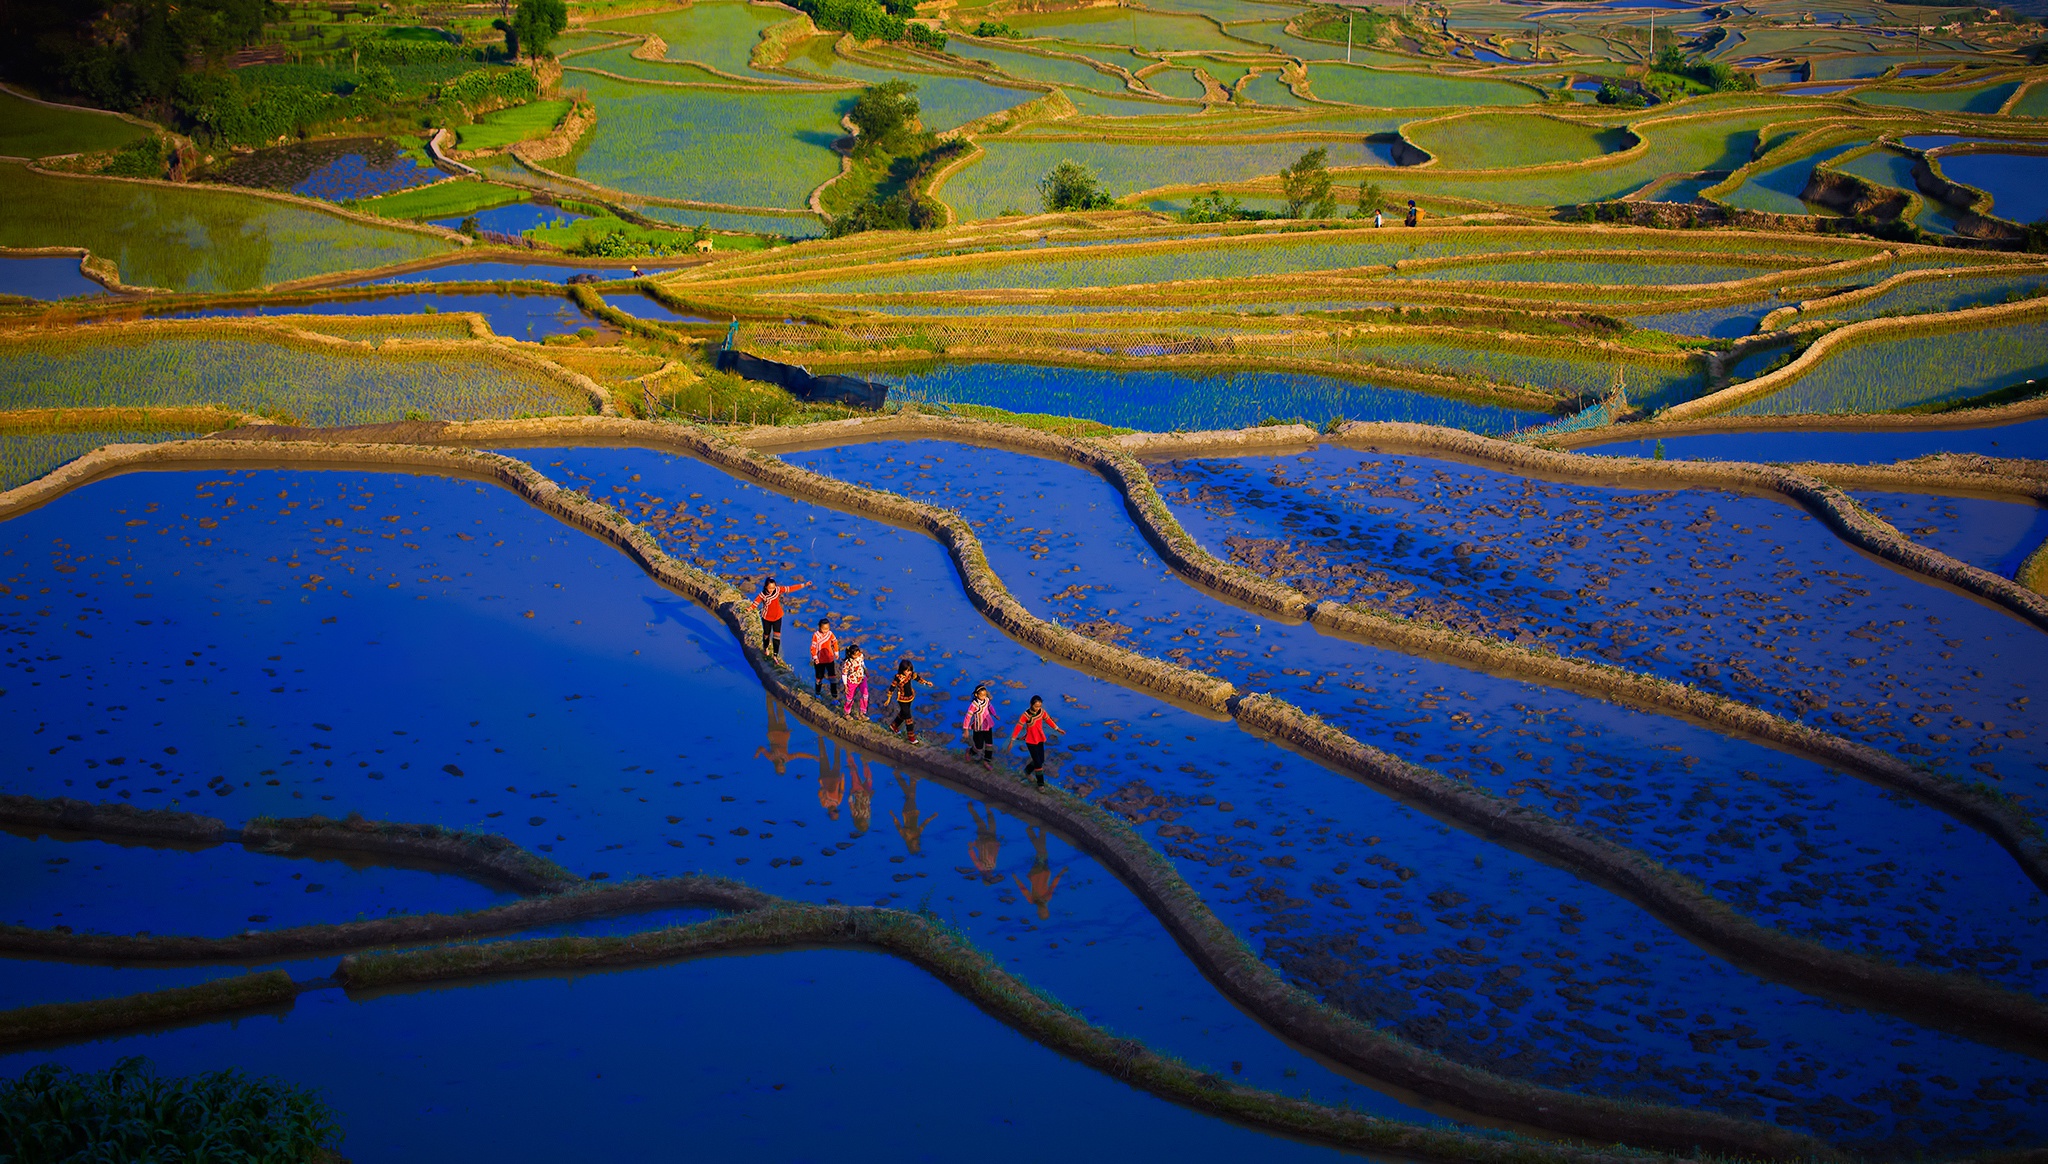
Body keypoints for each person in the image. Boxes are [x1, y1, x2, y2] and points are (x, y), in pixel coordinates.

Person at [1007, 695, 1064, 789]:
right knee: (1038, 762)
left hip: (1040, 738)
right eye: (1036, 706)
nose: (1038, 708)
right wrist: (1012, 740)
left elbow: (1048, 720)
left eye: (1039, 706)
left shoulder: (1041, 712)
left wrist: (1057, 729)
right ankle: (1040, 784)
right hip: (1030, 740)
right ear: (1031, 704)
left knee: (1041, 760)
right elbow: (1018, 727)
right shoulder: (1025, 715)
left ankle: (1027, 771)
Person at [754, 692, 816, 776]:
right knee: (781, 714)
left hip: (773, 733)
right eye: (782, 768)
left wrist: (757, 753)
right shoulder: (787, 758)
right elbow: (798, 755)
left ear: (776, 767)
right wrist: (812, 757)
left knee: (771, 714)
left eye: (779, 768)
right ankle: (778, 697)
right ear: (784, 767)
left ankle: (769, 695)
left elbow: (761, 748)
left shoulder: (771, 757)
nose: (780, 766)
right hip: (784, 733)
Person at [749, 576, 808, 661]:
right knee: (766, 634)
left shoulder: (778, 590)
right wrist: (749, 608)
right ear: (766, 587)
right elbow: (756, 603)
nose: (771, 590)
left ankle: (775, 655)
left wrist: (804, 585)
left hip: (777, 617)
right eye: (770, 588)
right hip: (766, 618)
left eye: (773, 588)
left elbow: (790, 588)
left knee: (777, 637)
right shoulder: (762, 595)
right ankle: (765, 647)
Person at [1013, 825, 1064, 921]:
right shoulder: (1047, 898)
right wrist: (1061, 873)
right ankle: (1040, 830)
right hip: (1045, 871)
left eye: (1042, 912)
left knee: (1042, 852)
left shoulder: (1032, 900)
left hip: (1036, 873)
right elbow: (1053, 885)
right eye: (1046, 911)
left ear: (1038, 912)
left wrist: (1016, 879)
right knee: (1042, 852)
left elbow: (1024, 890)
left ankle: (1035, 830)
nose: (1044, 910)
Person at [884, 658, 934, 744]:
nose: (909, 672)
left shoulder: (911, 674)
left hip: (910, 697)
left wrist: (926, 683)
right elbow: (892, 687)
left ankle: (894, 725)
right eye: (907, 671)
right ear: (902, 670)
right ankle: (911, 738)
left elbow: (918, 678)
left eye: (910, 670)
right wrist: (889, 698)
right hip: (902, 700)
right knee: (908, 718)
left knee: (903, 714)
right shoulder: (898, 678)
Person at [891, 772, 937, 856]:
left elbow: (899, 827)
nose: (916, 844)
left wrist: (893, 816)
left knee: (911, 796)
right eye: (917, 845)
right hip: (915, 813)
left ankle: (911, 778)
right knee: (910, 795)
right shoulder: (917, 834)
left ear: (911, 846)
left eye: (915, 846)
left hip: (907, 813)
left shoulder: (906, 837)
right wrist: (932, 817)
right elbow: (923, 824)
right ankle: (899, 775)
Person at [960, 684, 996, 766]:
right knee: (979, 746)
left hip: (987, 725)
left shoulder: (986, 700)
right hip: (978, 727)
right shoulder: (974, 705)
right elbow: (968, 716)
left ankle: (987, 761)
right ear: (976, 695)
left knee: (989, 744)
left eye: (985, 695)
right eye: (982, 695)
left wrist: (994, 714)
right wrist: (966, 729)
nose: (984, 697)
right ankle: (969, 751)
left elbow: (990, 706)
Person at [967, 801, 1002, 883]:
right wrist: (997, 846)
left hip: (983, 843)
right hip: (992, 842)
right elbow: (994, 856)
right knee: (992, 825)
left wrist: (971, 848)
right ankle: (988, 808)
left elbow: (974, 859)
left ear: (985, 877)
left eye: (989, 878)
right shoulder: (992, 868)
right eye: (991, 878)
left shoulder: (981, 868)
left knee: (981, 825)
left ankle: (971, 810)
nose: (991, 876)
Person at [809, 617, 842, 700]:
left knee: (832, 677)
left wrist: (836, 652)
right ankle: (817, 694)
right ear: (819, 627)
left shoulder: (830, 634)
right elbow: (813, 647)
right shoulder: (816, 635)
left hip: (829, 659)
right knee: (819, 677)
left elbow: (835, 642)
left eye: (827, 628)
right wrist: (815, 657)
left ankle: (834, 697)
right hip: (819, 660)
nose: (826, 630)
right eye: (824, 629)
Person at [840, 644, 869, 719]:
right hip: (852, 681)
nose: (857, 656)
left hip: (862, 679)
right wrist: (845, 685)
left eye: (858, 653)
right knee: (849, 698)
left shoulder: (860, 656)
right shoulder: (848, 663)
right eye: (855, 655)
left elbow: (862, 663)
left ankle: (862, 713)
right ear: (850, 654)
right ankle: (846, 713)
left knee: (865, 695)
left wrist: (865, 670)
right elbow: (844, 674)